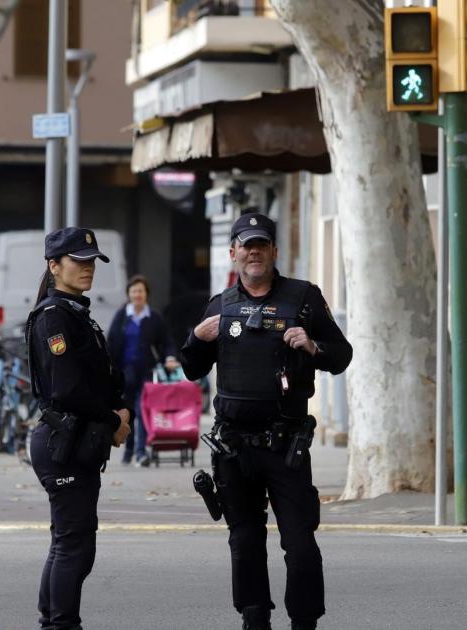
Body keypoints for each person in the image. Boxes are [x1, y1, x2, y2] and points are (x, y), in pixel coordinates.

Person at [180, 212, 353, 630]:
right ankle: (254, 618)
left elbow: (341, 355)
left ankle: (305, 622)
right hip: (235, 448)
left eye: (261, 245)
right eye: (246, 245)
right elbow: (190, 368)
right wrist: (196, 339)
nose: (253, 252)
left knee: (300, 544)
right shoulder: (220, 306)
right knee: (244, 542)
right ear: (233, 252)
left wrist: (313, 346)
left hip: (284, 446)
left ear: (275, 251)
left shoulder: (303, 297)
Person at [26, 227, 132, 630]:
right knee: (75, 545)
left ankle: (51, 621)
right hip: (63, 442)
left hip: (75, 441)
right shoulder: (55, 317)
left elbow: (98, 378)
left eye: (91, 262)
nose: (87, 269)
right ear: (54, 266)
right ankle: (61, 623)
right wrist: (113, 421)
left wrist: (121, 408)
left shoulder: (74, 313)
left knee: (68, 542)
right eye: (78, 261)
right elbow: (67, 389)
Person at [106, 275, 179, 466]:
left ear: (146, 294)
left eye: (141, 291)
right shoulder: (122, 316)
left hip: (146, 371)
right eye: (134, 291)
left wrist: (170, 358)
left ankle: (140, 452)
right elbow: (111, 343)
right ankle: (128, 450)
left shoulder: (153, 317)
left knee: (142, 409)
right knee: (129, 412)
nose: (137, 294)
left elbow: (166, 341)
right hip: (124, 373)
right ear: (129, 294)